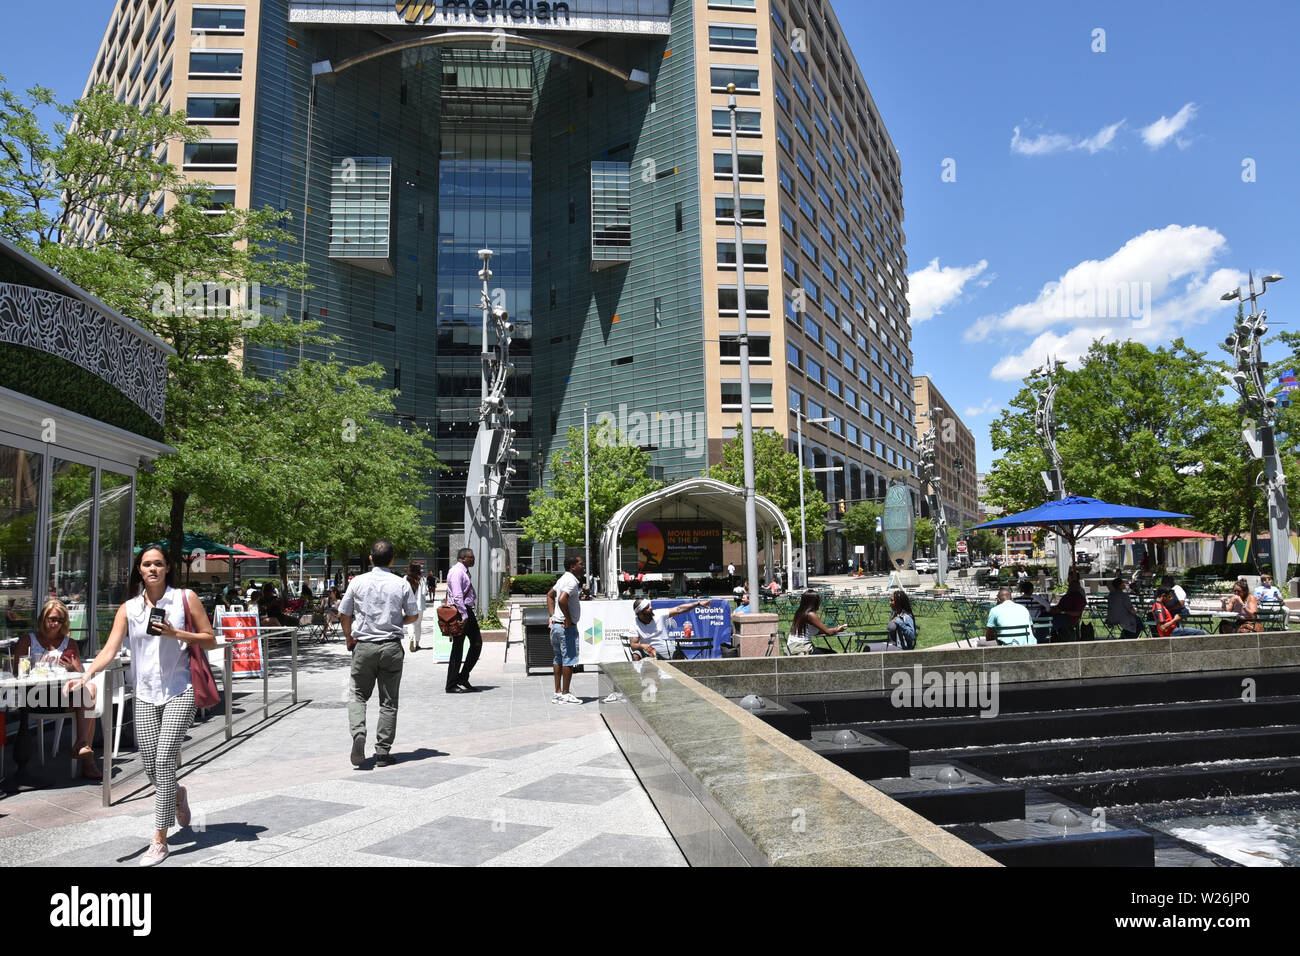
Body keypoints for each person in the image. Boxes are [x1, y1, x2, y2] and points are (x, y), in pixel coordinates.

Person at [67, 546, 217, 865]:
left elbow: (210, 639)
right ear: (139, 569)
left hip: (181, 689)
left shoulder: (184, 598)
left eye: (158, 564)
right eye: (147, 564)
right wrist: (87, 675)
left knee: (163, 762)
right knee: (150, 766)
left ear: (167, 569)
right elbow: (109, 650)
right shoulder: (129, 608)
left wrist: (177, 633)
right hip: (146, 694)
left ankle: (159, 839)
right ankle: (177, 794)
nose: (152, 569)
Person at [338, 540, 419, 768]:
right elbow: (413, 615)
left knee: (357, 695)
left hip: (364, 646)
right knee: (389, 701)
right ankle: (383, 752)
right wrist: (396, 621)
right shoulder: (401, 584)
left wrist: (348, 637)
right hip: (391, 647)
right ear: (392, 559)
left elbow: (344, 613)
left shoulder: (358, 582)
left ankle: (358, 734)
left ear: (371, 558)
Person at [12, 599, 100, 779]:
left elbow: (80, 675)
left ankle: (83, 745)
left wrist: (70, 667)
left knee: (89, 689)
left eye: (60, 620)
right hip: (34, 698)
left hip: (62, 697)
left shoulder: (69, 644)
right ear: (43, 618)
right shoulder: (28, 641)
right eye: (52, 619)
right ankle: (85, 757)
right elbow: (16, 672)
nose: (55, 624)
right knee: (88, 700)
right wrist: (35, 666)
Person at [546, 556, 584, 704]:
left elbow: (550, 595)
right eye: (581, 564)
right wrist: (568, 619)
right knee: (569, 660)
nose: (583, 566)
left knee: (558, 659)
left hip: (556, 625)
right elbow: (562, 599)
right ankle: (566, 693)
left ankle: (558, 692)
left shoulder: (563, 579)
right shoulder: (571, 581)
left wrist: (552, 615)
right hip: (565, 627)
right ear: (572, 567)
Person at [445, 547, 482, 693]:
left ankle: (463, 676)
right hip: (462, 612)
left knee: (476, 643)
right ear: (463, 558)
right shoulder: (456, 572)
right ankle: (451, 684)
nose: (473, 560)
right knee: (458, 647)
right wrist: (464, 615)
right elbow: (457, 596)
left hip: (466, 610)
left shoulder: (463, 571)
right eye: (471, 557)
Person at [630, 596, 712, 660]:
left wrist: (698, 604)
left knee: (679, 653)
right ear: (640, 612)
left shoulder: (659, 614)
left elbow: (679, 609)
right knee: (636, 655)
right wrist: (642, 646)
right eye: (647, 607)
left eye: (649, 606)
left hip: (666, 647)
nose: (651, 608)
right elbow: (633, 645)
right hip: (649, 650)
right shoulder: (634, 624)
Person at [786, 591, 846, 655]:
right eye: (819, 601)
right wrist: (838, 629)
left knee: (829, 652)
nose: (820, 603)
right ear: (814, 602)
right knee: (833, 654)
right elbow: (829, 632)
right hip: (801, 648)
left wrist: (831, 629)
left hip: (792, 646)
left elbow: (813, 631)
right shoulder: (811, 615)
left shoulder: (800, 613)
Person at [1048, 574, 1086, 641]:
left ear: (1077, 587)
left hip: (1068, 619)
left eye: (1071, 586)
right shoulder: (1067, 596)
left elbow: (1077, 613)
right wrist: (1053, 609)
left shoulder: (1079, 598)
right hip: (1059, 615)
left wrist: (1063, 612)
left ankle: (1043, 639)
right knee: (1045, 617)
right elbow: (1059, 606)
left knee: (1049, 623)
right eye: (1070, 585)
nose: (1069, 587)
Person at [404, 564, 426, 653]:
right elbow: (424, 592)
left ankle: (411, 639)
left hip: (409, 604)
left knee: (410, 623)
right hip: (419, 605)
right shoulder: (422, 579)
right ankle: (417, 643)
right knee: (418, 624)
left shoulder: (405, 578)